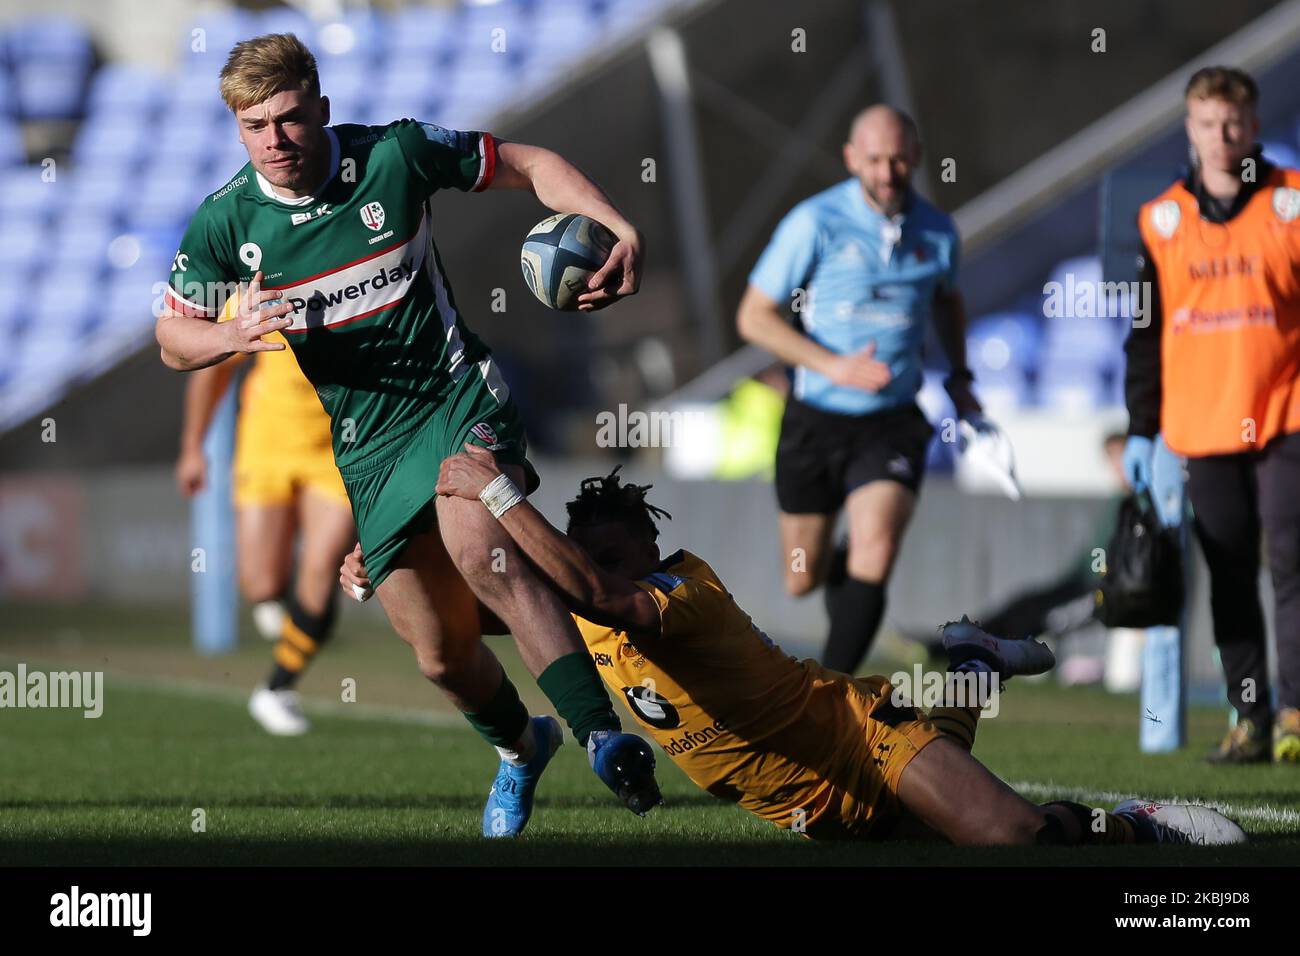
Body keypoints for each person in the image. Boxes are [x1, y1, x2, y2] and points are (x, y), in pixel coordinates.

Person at [154, 33, 661, 836]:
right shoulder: (227, 223)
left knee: (477, 545)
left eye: (288, 118)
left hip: (457, 395)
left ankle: (604, 737)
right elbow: (171, 337)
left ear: (320, 107)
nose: (275, 140)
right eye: (255, 126)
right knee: (440, 652)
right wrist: (227, 335)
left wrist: (606, 219)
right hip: (368, 445)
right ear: (238, 130)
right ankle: (523, 748)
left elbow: (526, 162)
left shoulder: (397, 154)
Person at [341, 450, 1246, 846]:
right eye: (588, 556)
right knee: (956, 808)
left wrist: (501, 499)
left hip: (860, 739)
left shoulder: (674, 592)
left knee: (1009, 837)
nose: (595, 569)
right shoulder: (586, 602)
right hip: (820, 811)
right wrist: (390, 577)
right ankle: (974, 661)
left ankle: (1140, 823)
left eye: (611, 553)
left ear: (649, 551)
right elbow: (476, 617)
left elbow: (594, 592)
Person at [736, 104, 981, 676]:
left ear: (916, 157)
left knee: (879, 548)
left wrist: (963, 377)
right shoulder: (814, 222)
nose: (888, 171)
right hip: (817, 418)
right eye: (875, 159)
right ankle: (838, 564)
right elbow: (754, 317)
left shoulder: (938, 233)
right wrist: (831, 365)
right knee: (802, 578)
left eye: (898, 158)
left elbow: (947, 299)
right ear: (851, 159)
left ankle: (837, 697)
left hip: (891, 420)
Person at [1124, 66, 1300, 764]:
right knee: (1228, 568)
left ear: (1253, 127)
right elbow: (1143, 332)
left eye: (1234, 123)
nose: (1222, 137)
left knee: (1291, 560)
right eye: (1207, 123)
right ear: (1190, 129)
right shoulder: (1161, 221)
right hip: (1201, 422)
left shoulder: (1291, 204)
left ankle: (1296, 712)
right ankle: (1249, 715)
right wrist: (1141, 426)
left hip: (1287, 412)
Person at [176, 296, 355, 735]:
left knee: (324, 562)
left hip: (335, 447)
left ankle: (276, 688)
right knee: (261, 583)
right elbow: (213, 368)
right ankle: (284, 603)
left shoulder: (359, 282)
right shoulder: (257, 295)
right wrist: (193, 448)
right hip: (267, 441)